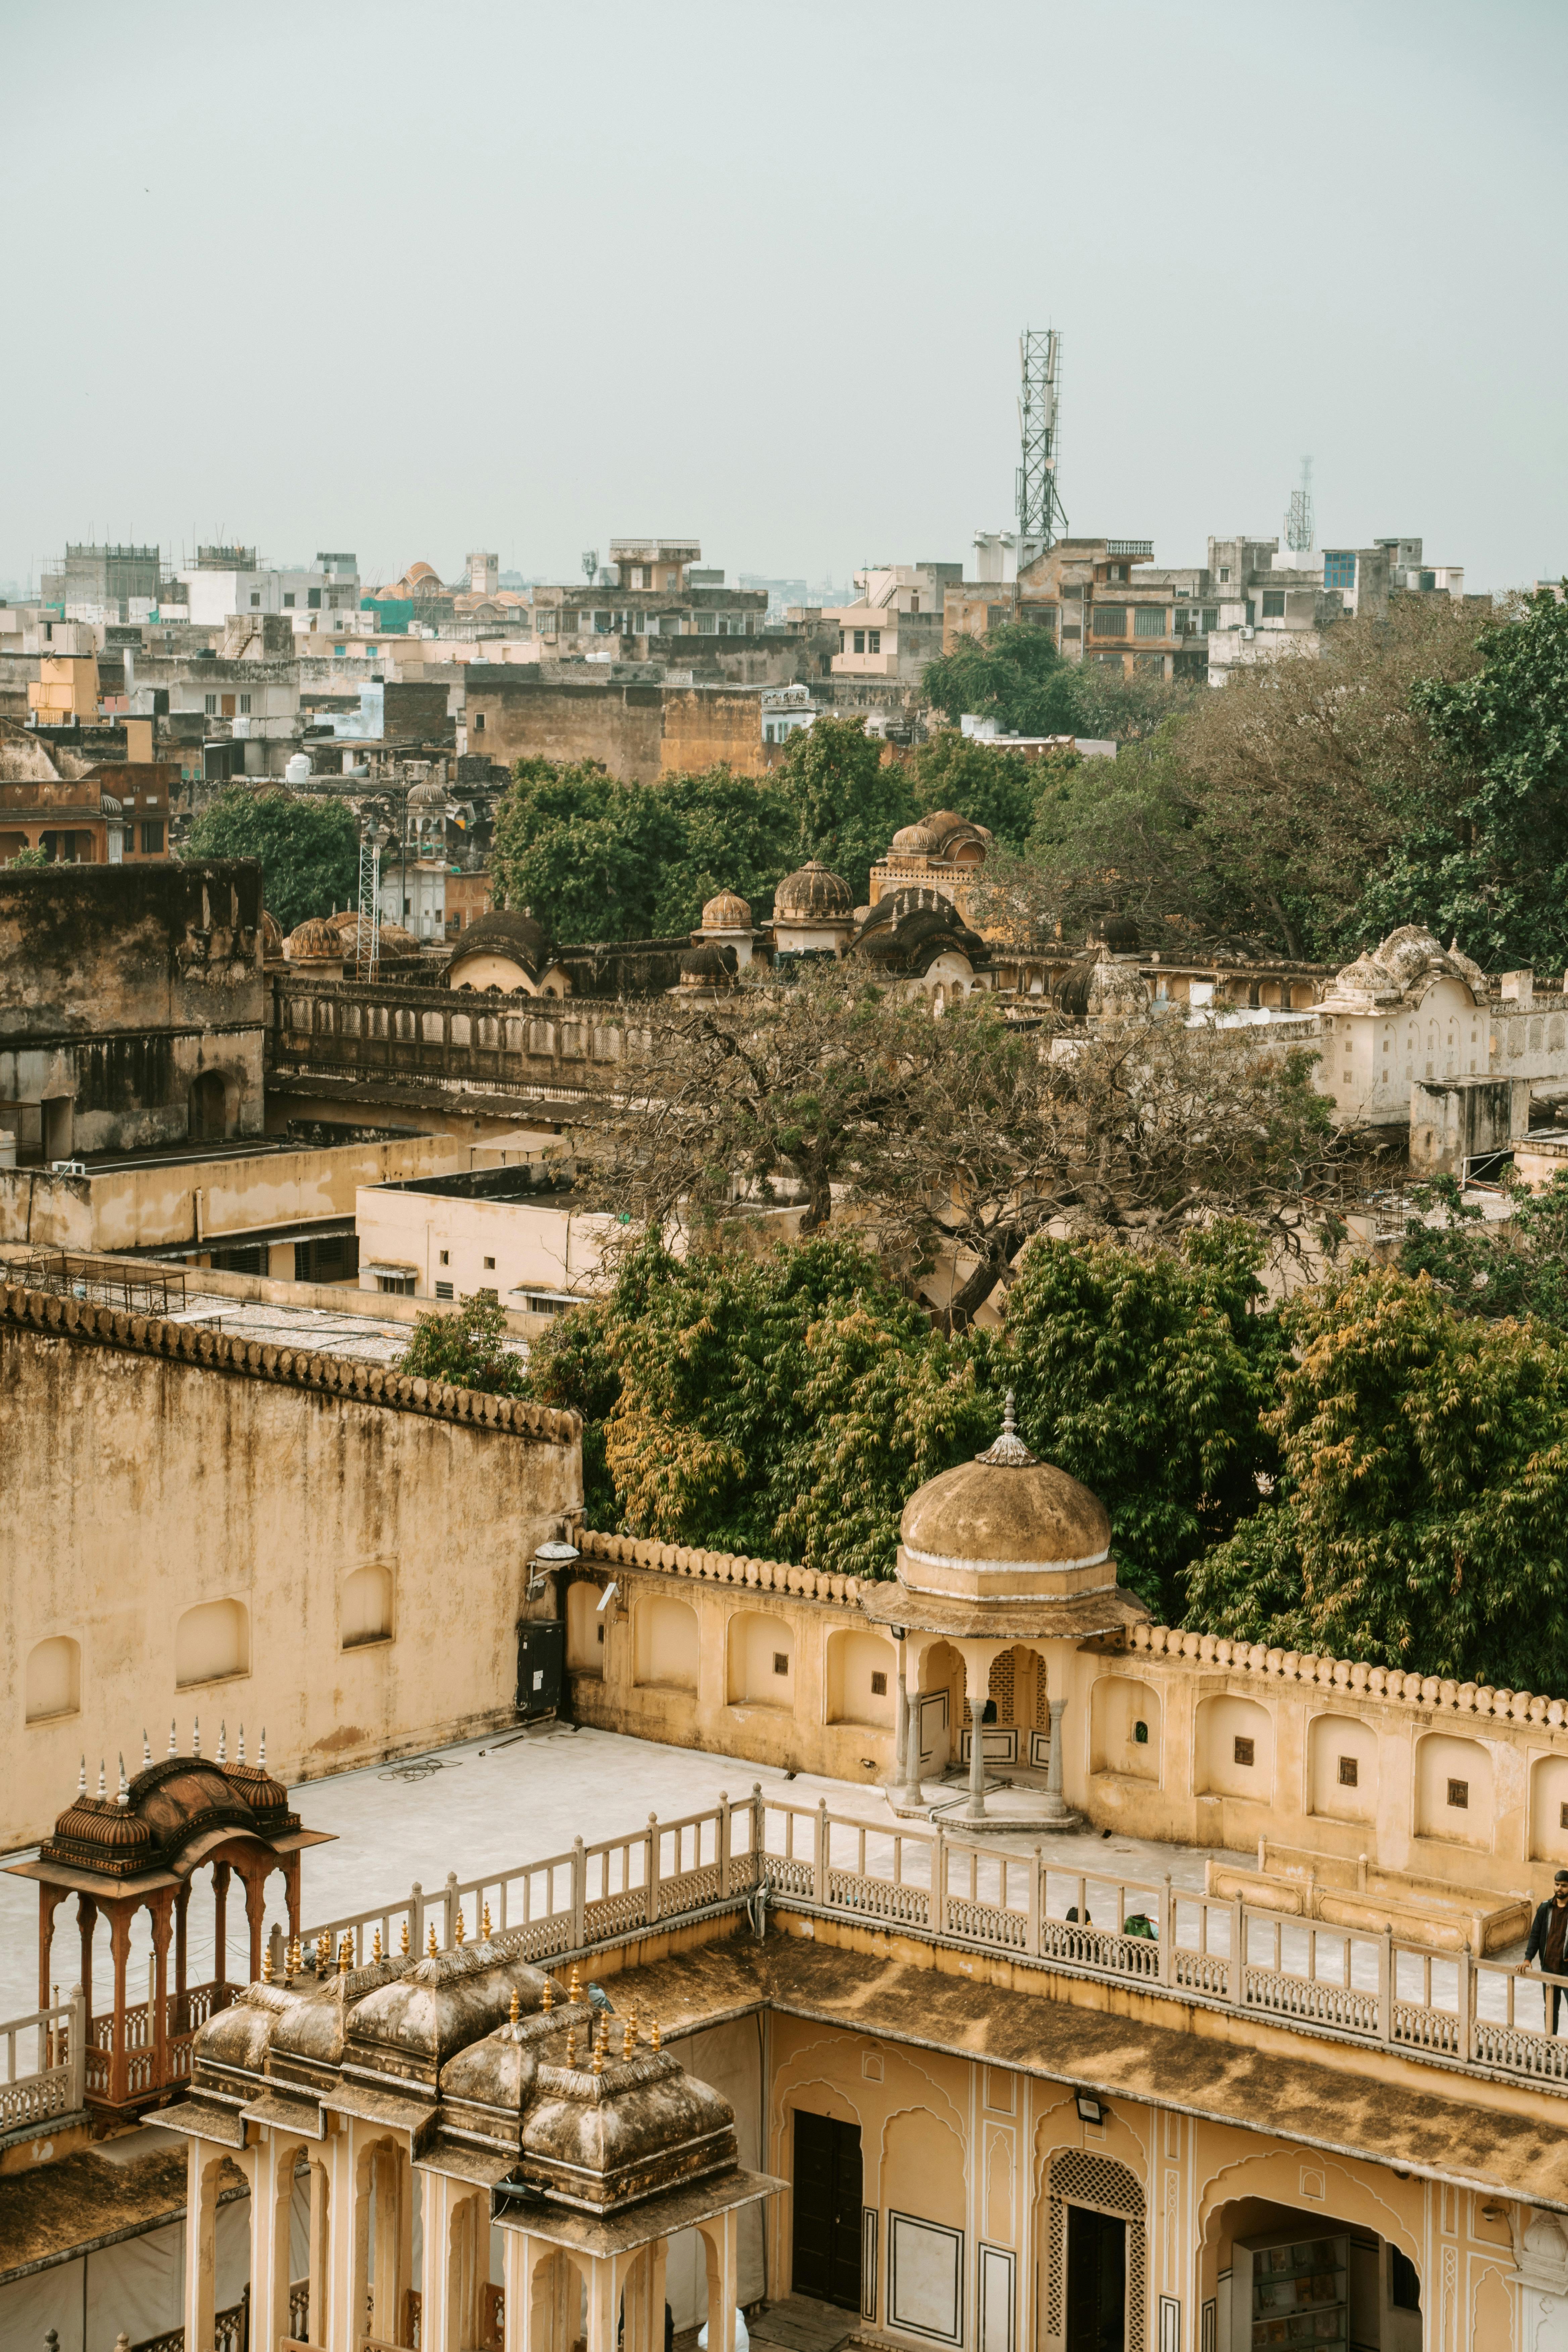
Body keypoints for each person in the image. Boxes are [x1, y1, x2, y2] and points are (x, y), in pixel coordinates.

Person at [1518, 1869, 1568, 2031]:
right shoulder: (1545, 1908)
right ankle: (1549, 2046)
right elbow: (1535, 1935)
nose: (1560, 1888)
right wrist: (1528, 1959)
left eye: (1564, 1886)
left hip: (1567, 1971)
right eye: (1557, 1885)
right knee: (1551, 2009)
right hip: (1549, 1968)